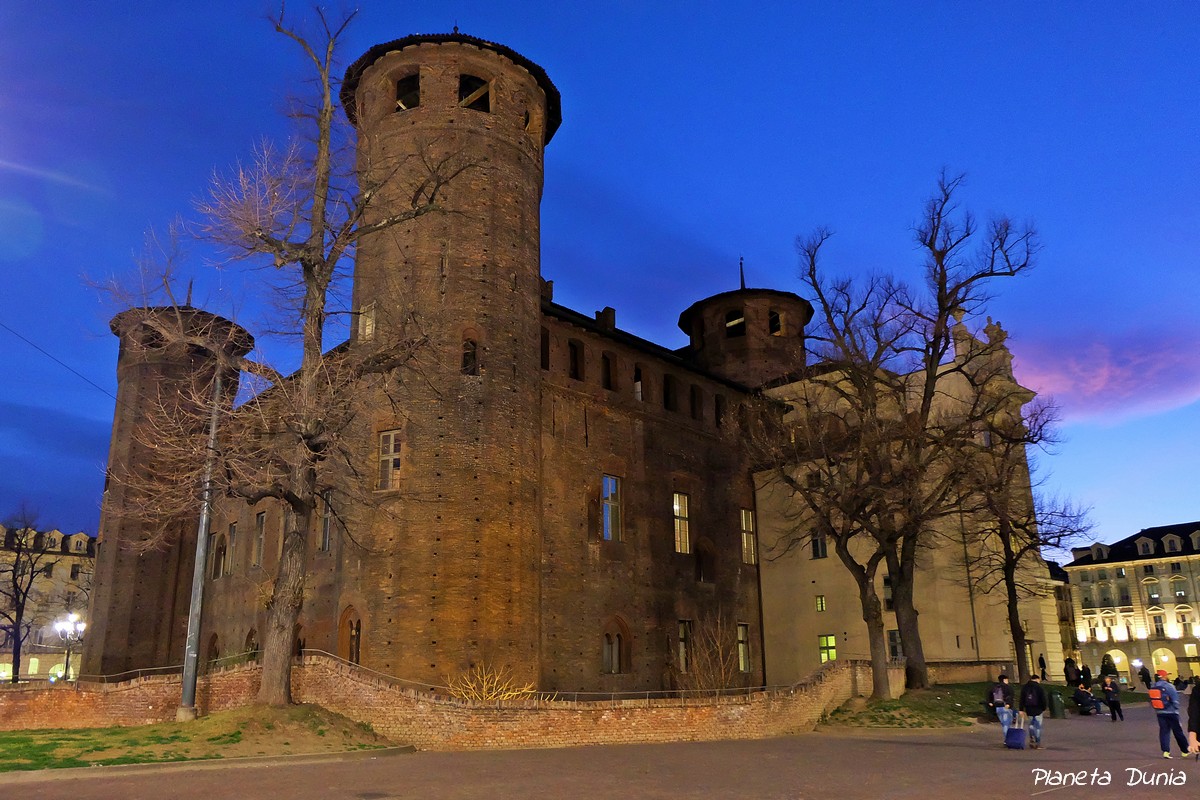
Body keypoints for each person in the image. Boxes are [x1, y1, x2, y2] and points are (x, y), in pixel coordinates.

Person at [1150, 669, 1189, 758]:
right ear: (1164, 676)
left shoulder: (1154, 686)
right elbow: (1175, 699)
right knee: (1178, 731)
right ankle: (1184, 750)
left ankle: (1165, 751)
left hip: (1160, 712)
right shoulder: (1169, 686)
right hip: (1171, 712)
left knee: (1164, 731)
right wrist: (1176, 708)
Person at [1020, 673, 1048, 749]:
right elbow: (1043, 699)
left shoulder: (1025, 687)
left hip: (1029, 709)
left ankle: (1032, 739)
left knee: (1031, 725)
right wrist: (1043, 708)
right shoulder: (1039, 688)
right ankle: (1038, 743)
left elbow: (1022, 699)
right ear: (1037, 679)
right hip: (1038, 709)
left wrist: (1021, 709)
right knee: (1038, 727)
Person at [988, 674, 1015, 743]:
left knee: (1003, 723)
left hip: (997, 707)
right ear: (1005, 680)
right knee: (1007, 724)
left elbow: (989, 695)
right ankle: (1007, 739)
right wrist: (1009, 704)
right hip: (1006, 706)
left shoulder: (995, 687)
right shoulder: (1008, 687)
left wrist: (990, 702)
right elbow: (1010, 696)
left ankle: (1007, 738)